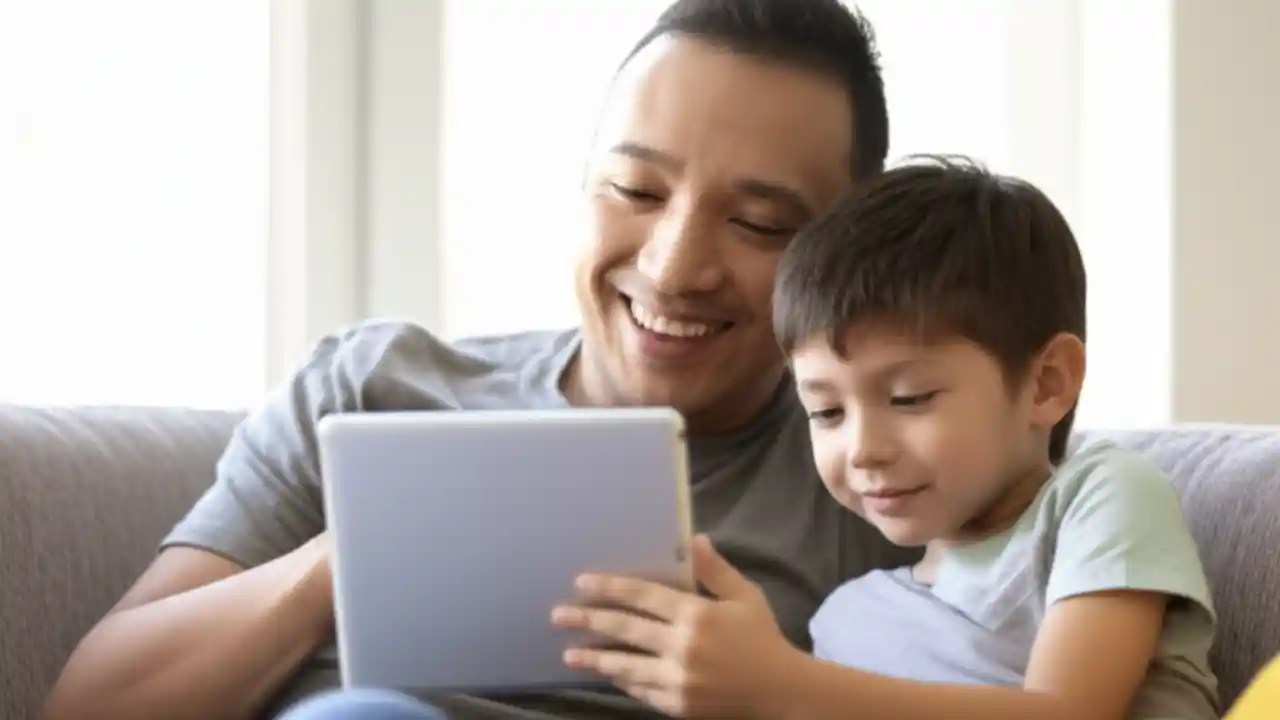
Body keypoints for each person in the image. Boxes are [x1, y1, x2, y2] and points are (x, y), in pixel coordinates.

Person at [42, 1, 919, 719]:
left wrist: (777, 695)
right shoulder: (369, 391)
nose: (673, 267)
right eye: (636, 191)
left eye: (759, 223)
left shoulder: (876, 475)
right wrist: (349, 559)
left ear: (839, 250)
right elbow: (89, 705)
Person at [552, 158, 1220, 719]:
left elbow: (1069, 713)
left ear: (1046, 382)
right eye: (826, 413)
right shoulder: (854, 618)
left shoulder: (1099, 497)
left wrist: (778, 680)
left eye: (909, 399)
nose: (863, 449)